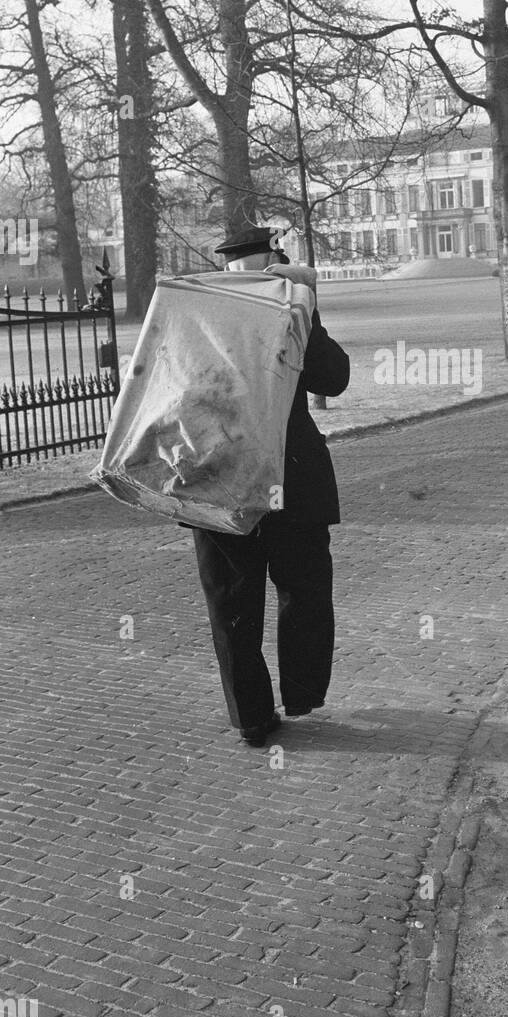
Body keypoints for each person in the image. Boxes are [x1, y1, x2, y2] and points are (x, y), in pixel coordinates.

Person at [191, 225, 350, 746]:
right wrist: (307, 307)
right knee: (294, 590)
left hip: (226, 472)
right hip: (275, 472)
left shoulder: (199, 310)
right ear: (275, 260)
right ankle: (294, 698)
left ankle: (255, 717)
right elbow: (335, 377)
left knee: (237, 598)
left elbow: (331, 377)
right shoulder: (285, 307)